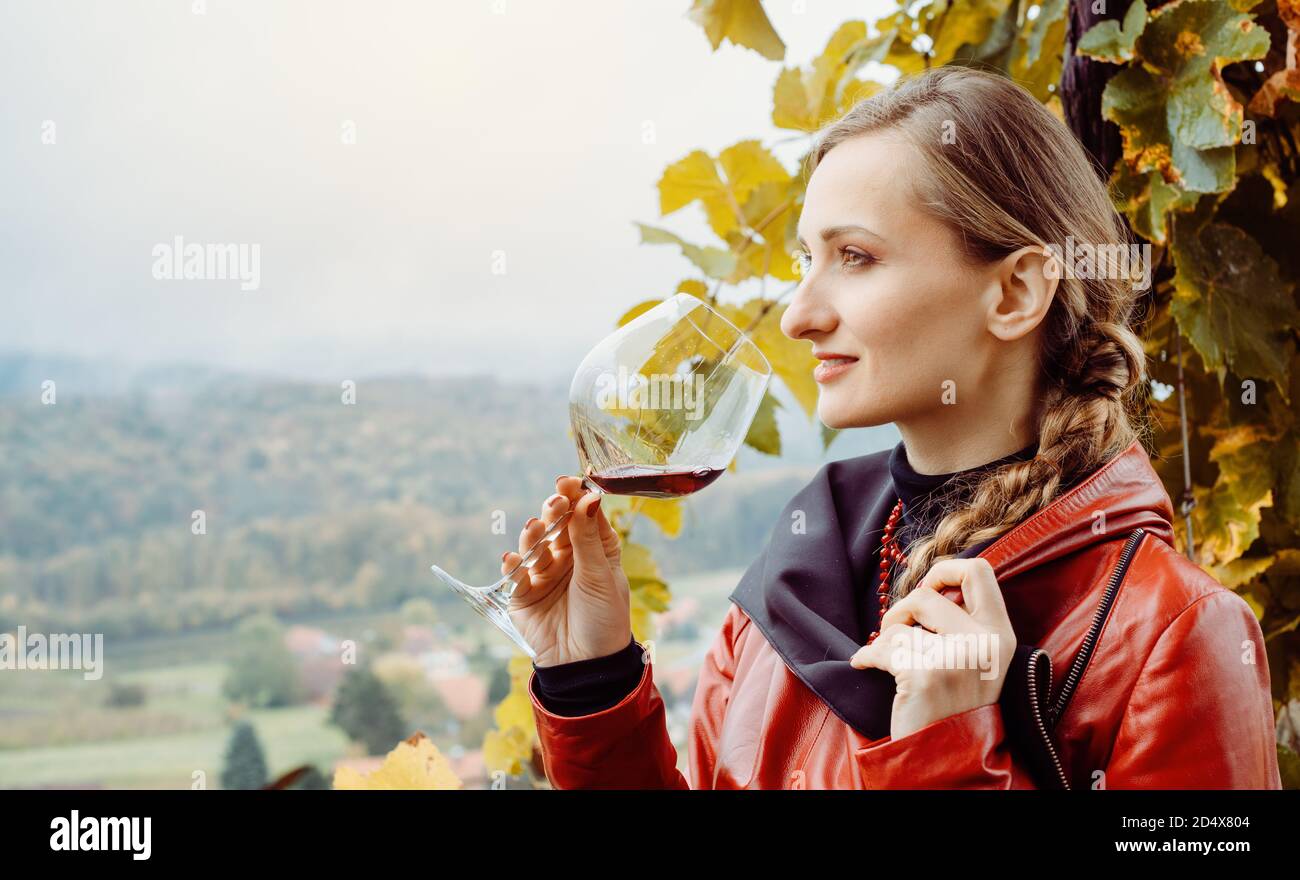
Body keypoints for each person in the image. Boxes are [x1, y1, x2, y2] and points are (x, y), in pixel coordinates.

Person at [499, 66, 1282, 789]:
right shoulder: (792, 580)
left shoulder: (1174, 635)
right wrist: (590, 678)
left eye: (856, 256)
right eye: (806, 258)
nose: (802, 315)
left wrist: (945, 757)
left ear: (1014, 293)